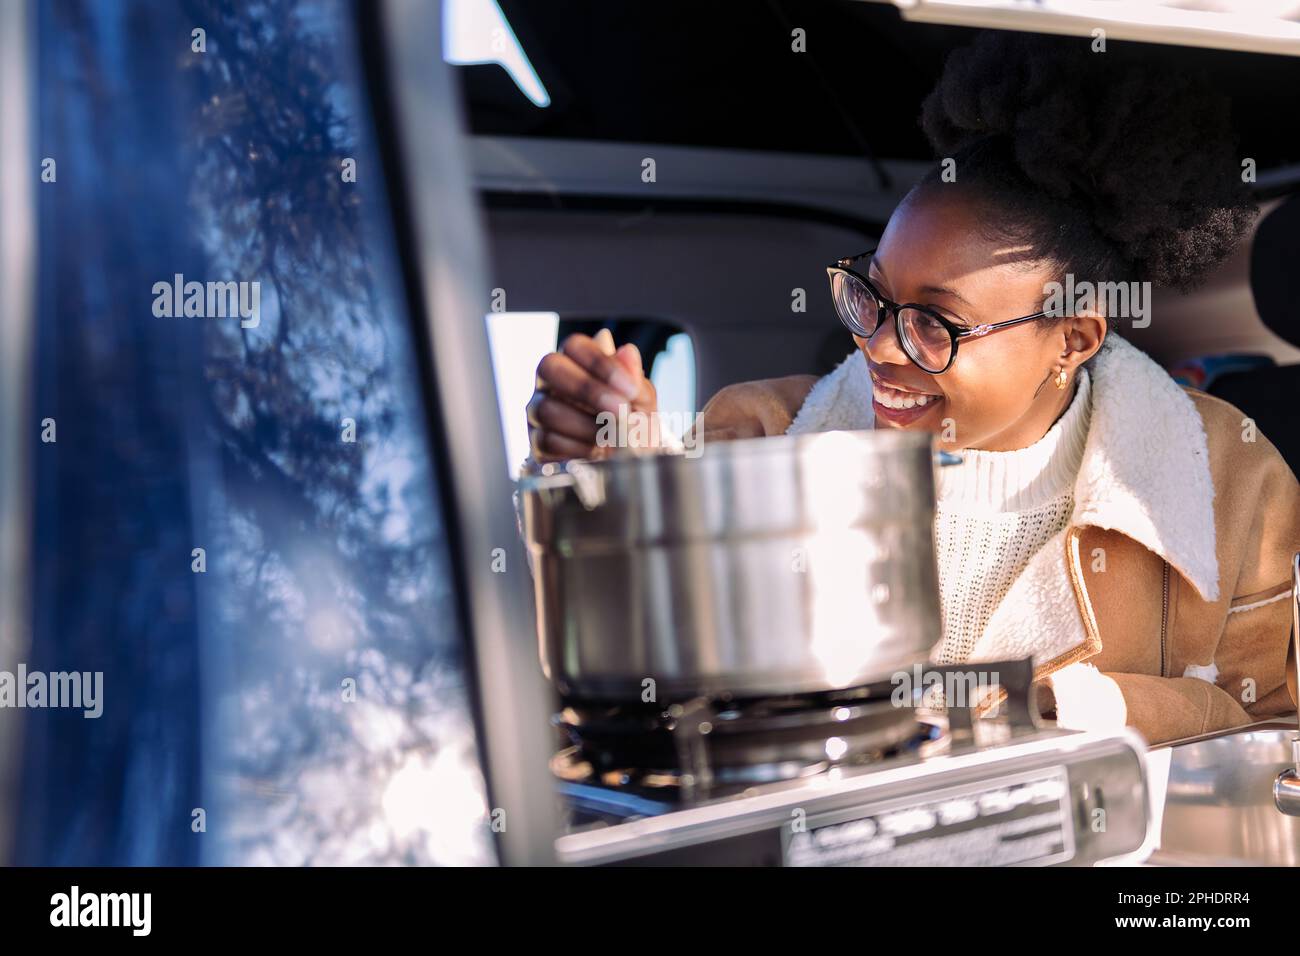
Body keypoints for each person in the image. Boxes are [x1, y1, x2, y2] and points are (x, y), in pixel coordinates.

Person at [523, 32, 1300, 745]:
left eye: (937, 324)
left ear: (1072, 339)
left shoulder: (1229, 486)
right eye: (875, 296)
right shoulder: (757, 435)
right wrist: (611, 488)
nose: (880, 346)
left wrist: (1079, 709)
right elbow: (649, 699)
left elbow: (1269, 726)